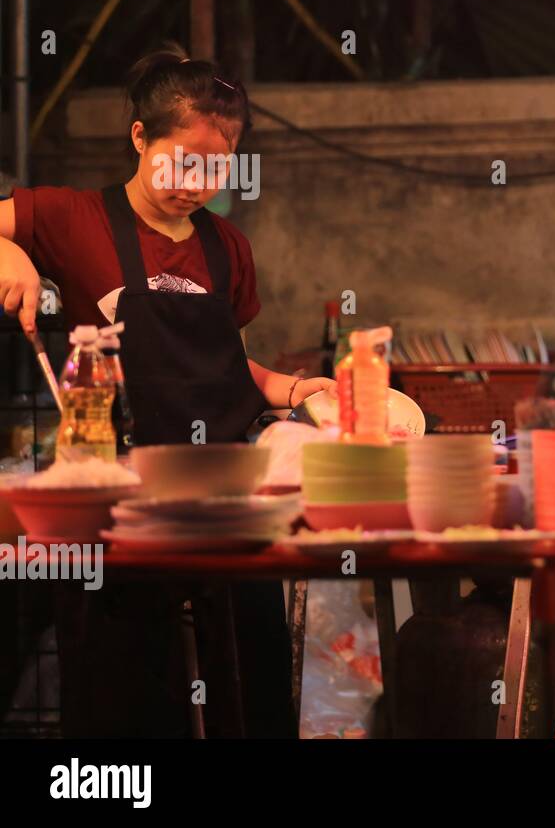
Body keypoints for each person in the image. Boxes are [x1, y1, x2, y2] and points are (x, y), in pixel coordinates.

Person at [0, 45, 334, 736]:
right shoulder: (75, 217)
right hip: (117, 509)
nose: (197, 181)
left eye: (216, 166)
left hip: (224, 507)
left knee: (247, 683)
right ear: (139, 138)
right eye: (182, 160)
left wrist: (303, 388)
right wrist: (10, 255)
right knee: (128, 704)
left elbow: (231, 370)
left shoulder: (227, 248)